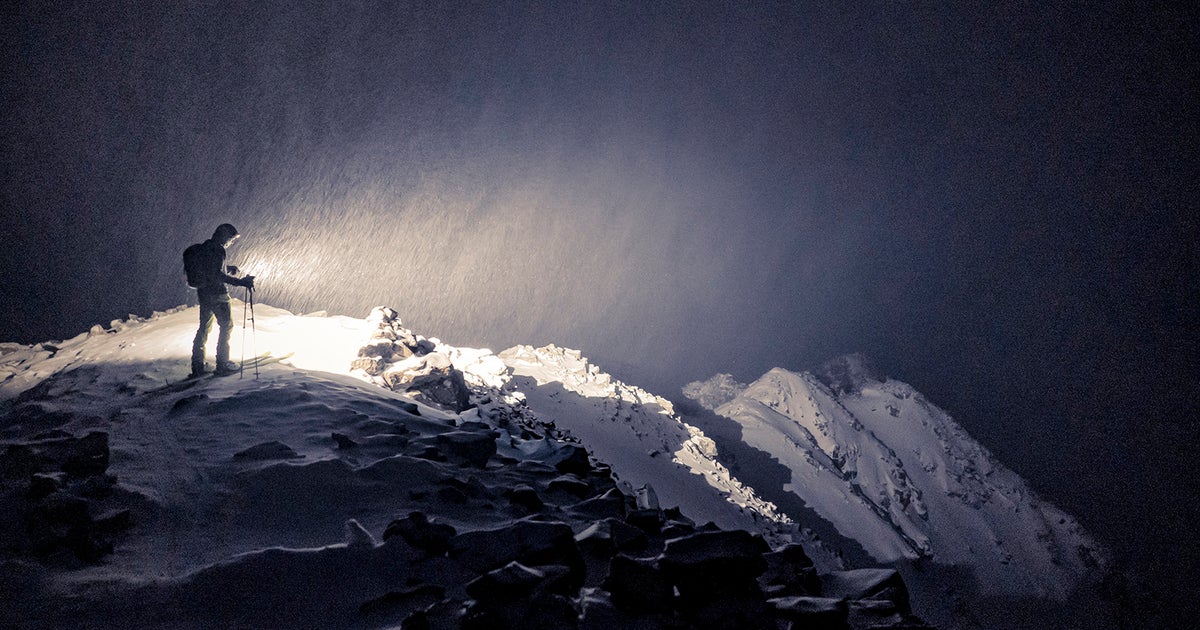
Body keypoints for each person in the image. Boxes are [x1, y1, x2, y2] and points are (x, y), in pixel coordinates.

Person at [189, 223, 254, 377]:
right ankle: (222, 365)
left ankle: (197, 365)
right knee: (226, 327)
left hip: (204, 294)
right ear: (224, 236)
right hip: (218, 295)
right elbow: (217, 275)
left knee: (204, 328)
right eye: (231, 239)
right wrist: (240, 282)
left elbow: (210, 269)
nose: (230, 243)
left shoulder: (206, 247)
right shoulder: (218, 250)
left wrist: (228, 268)